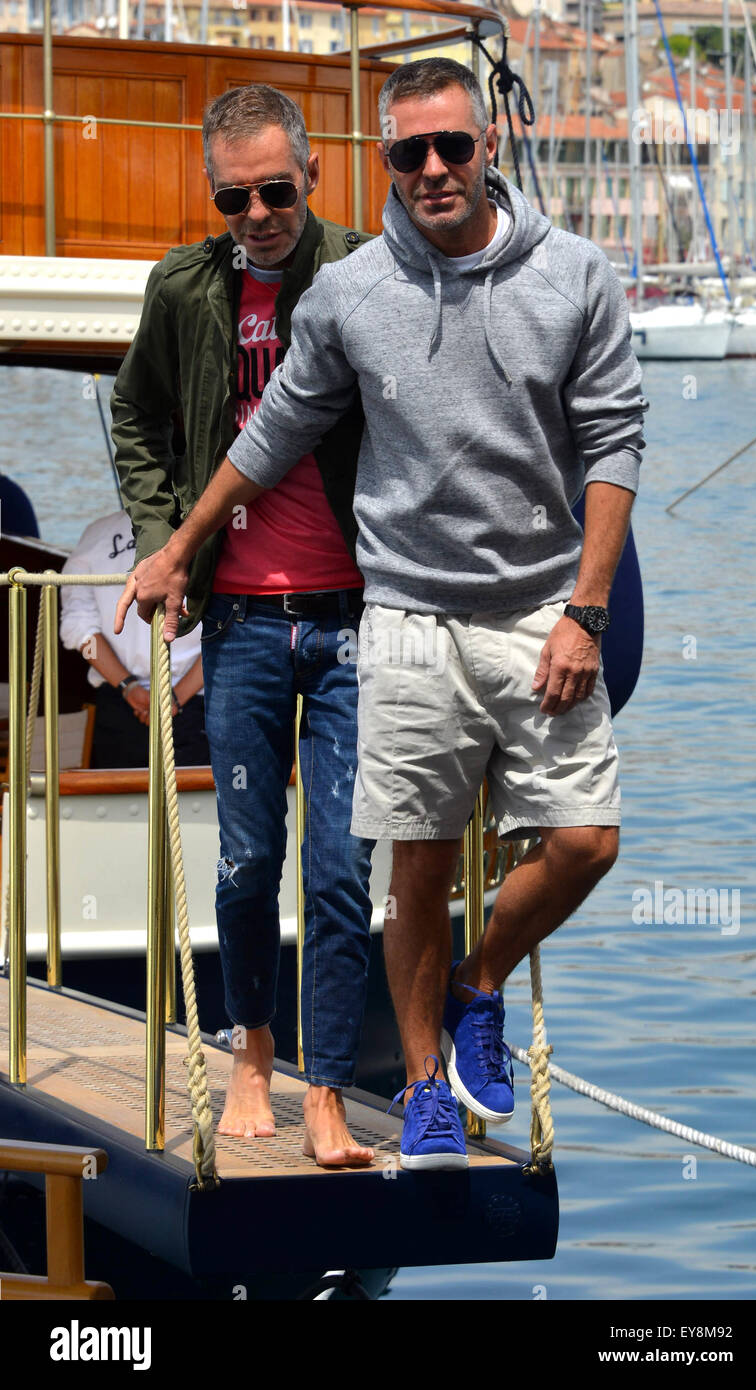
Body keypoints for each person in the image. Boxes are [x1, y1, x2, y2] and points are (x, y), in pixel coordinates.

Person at [117, 58, 649, 1171]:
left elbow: (613, 442)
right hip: (359, 617)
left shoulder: (571, 273)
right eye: (409, 153)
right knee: (353, 867)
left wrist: (588, 611)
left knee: (577, 843)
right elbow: (258, 434)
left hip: (496, 609)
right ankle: (395, 1088)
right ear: (384, 162)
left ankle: (475, 985)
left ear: (489, 141)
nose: (434, 168)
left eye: (451, 146)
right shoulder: (327, 292)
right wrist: (176, 541)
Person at [110, 84, 377, 1167]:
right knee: (247, 860)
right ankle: (254, 1047)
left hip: (358, 614)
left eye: (277, 190)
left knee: (343, 868)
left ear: (312, 176)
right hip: (243, 621)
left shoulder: (369, 270)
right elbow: (135, 414)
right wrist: (159, 531)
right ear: (214, 197)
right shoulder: (184, 289)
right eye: (236, 198)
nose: (260, 213)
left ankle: (327, 1086)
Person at [60, 509, 208, 768]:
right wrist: (174, 699)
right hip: (195, 704)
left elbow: (80, 630)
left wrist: (128, 687)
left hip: (123, 702)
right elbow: (230, 629)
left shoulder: (97, 533)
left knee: (115, 802)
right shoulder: (212, 531)